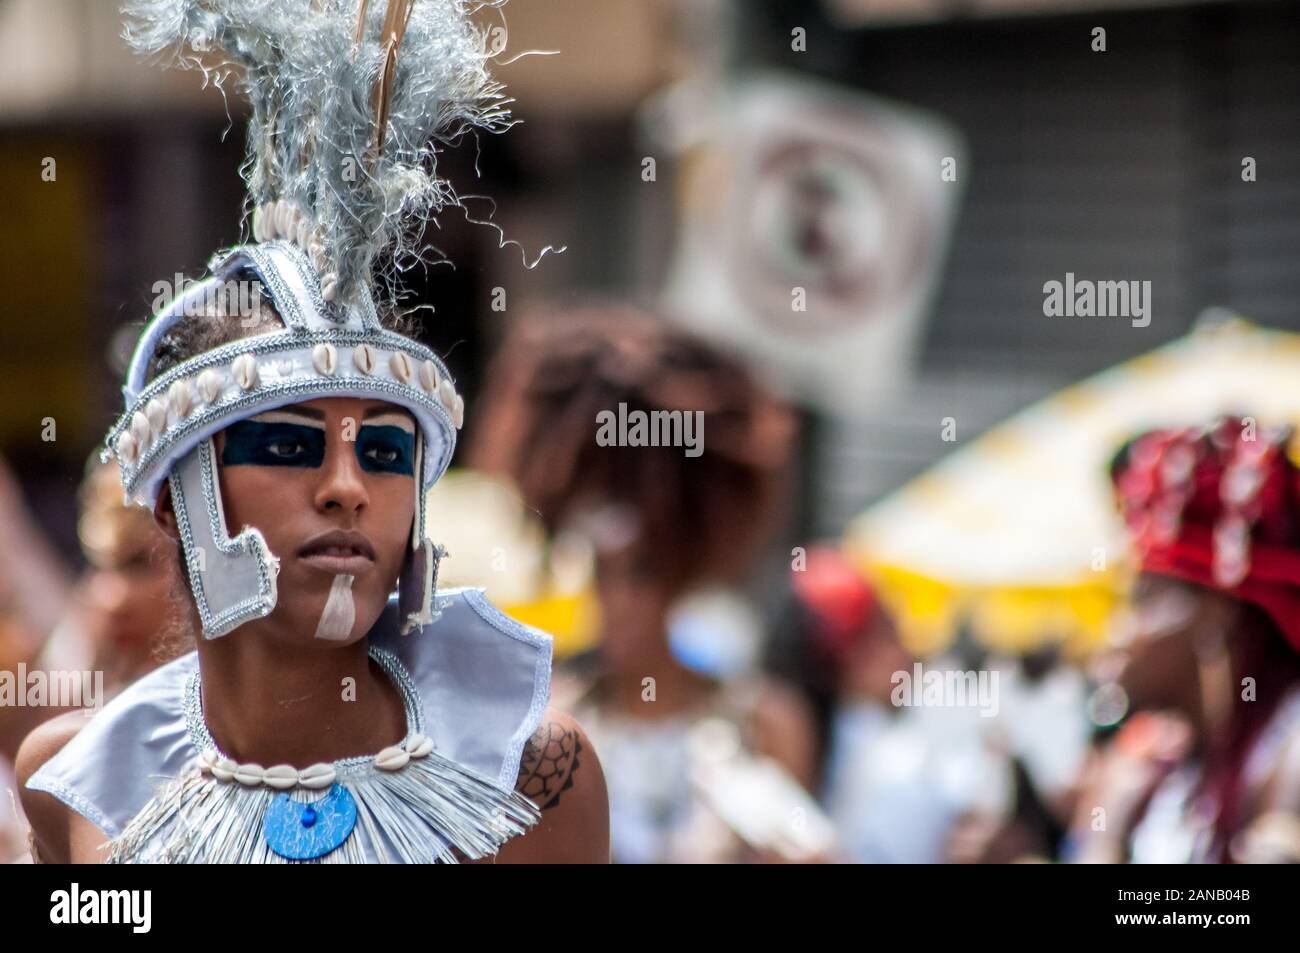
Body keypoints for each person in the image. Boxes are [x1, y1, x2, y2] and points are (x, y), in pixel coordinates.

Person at [16, 0, 607, 864]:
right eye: (290, 447)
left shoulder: (525, 773)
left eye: (384, 452)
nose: (346, 485)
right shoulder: (77, 781)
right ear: (180, 501)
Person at [471, 305, 817, 862]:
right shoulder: (546, 727)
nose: (619, 598)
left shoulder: (765, 722)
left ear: (684, 565)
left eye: (644, 569)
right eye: (602, 569)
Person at [1066, 416, 1300, 863]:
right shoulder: (1181, 770)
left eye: (1142, 600)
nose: (1116, 634)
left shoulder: (1290, 750)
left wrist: (1104, 840)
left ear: (1217, 612)